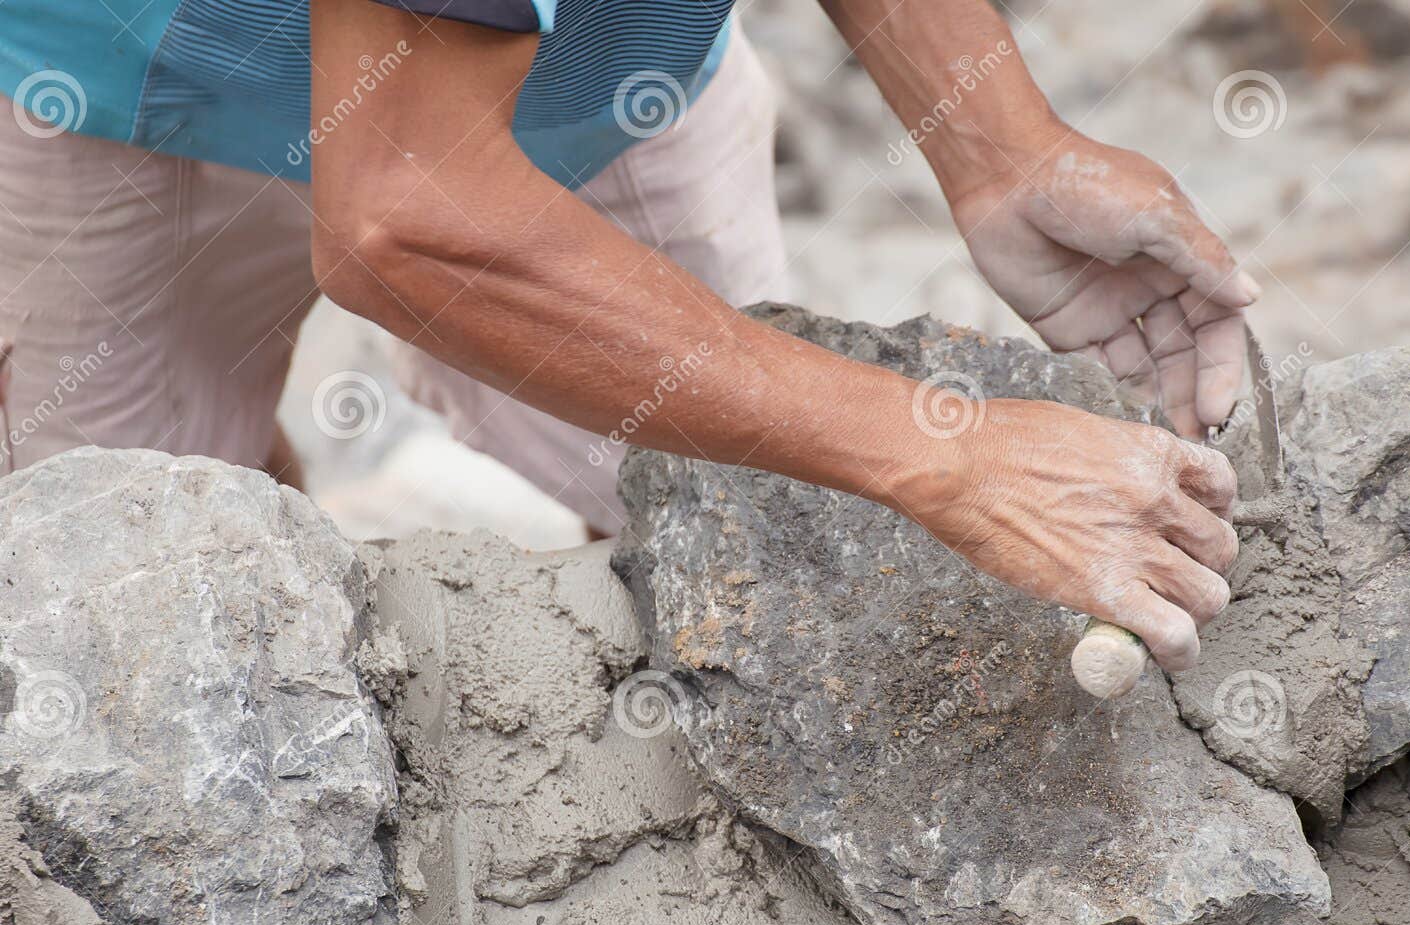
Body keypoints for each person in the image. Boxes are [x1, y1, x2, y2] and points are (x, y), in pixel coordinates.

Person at [0, 0, 1255, 673]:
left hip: (600, 81)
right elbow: (399, 216)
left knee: (730, 512)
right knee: (138, 584)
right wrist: (950, 456)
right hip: (136, 87)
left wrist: (998, 148)